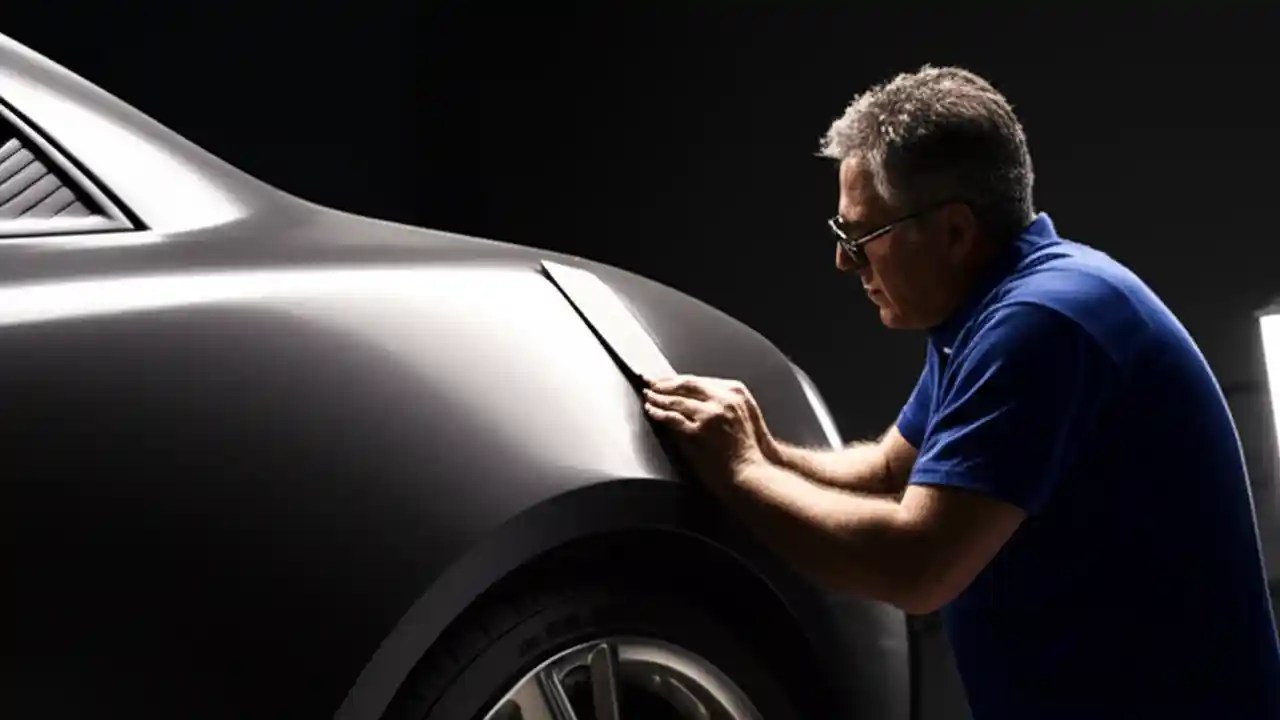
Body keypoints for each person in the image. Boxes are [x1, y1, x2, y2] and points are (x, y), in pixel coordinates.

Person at [642, 65, 1280, 719]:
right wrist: (761, 449)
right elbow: (891, 469)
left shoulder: (1045, 323)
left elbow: (916, 567)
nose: (844, 262)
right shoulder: (989, 312)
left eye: (860, 237)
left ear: (953, 231)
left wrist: (742, 471)